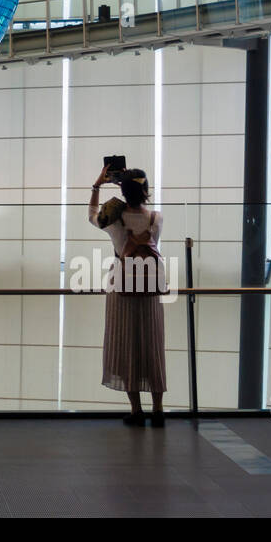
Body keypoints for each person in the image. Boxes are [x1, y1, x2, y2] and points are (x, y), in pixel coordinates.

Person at [89, 165, 167, 427]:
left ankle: (137, 411)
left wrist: (98, 185)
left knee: (125, 343)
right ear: (146, 190)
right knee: (152, 345)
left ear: (122, 191)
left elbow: (92, 216)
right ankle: (158, 409)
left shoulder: (114, 217)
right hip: (150, 287)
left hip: (122, 286)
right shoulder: (157, 218)